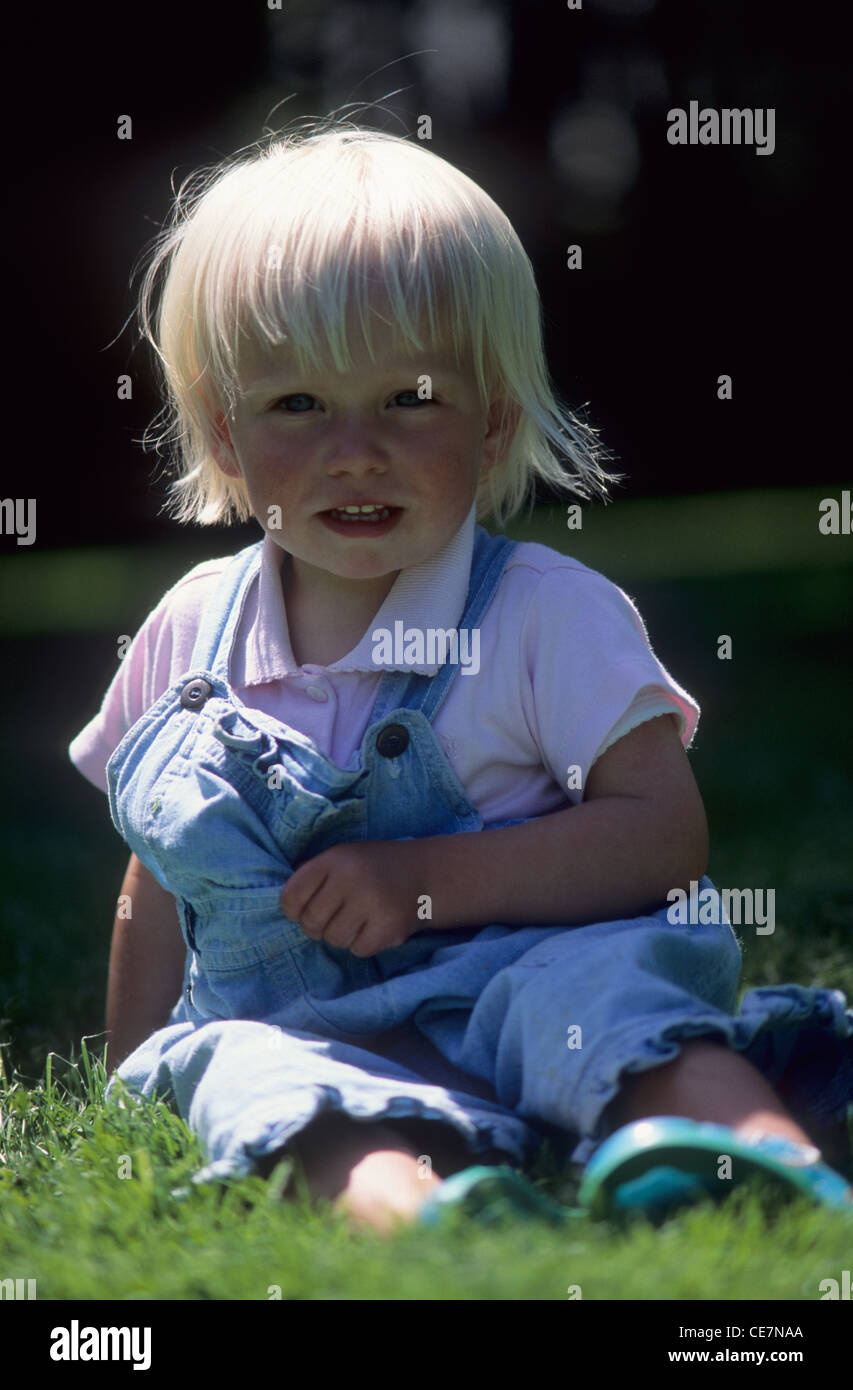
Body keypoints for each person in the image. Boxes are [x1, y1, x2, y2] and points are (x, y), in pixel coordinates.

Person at [70, 121, 852, 1234]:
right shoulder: (190, 633)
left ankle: (744, 1152)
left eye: (410, 398)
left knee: (606, 995)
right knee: (254, 1072)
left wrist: (427, 878)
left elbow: (661, 837)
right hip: (315, 1032)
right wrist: (140, 1069)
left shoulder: (542, 613)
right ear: (223, 431)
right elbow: (156, 877)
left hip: (534, 986)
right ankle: (424, 1214)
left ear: (490, 422)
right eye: (297, 403)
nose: (355, 449)